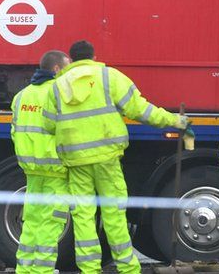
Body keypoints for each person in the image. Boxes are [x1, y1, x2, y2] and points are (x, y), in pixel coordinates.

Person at [42, 40, 189, 274]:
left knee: (82, 216)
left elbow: (48, 125)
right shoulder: (110, 77)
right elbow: (141, 110)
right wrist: (174, 121)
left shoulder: (56, 87)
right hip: (107, 159)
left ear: (71, 59)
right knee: (114, 213)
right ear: (93, 56)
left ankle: (90, 269)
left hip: (76, 161)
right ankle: (127, 267)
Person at [11, 50, 71, 274]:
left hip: (32, 170)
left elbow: (15, 131)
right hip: (56, 169)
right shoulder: (59, 94)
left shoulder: (22, 96)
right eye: (66, 68)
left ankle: (24, 269)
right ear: (56, 69)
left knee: (31, 222)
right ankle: (43, 271)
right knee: (51, 223)